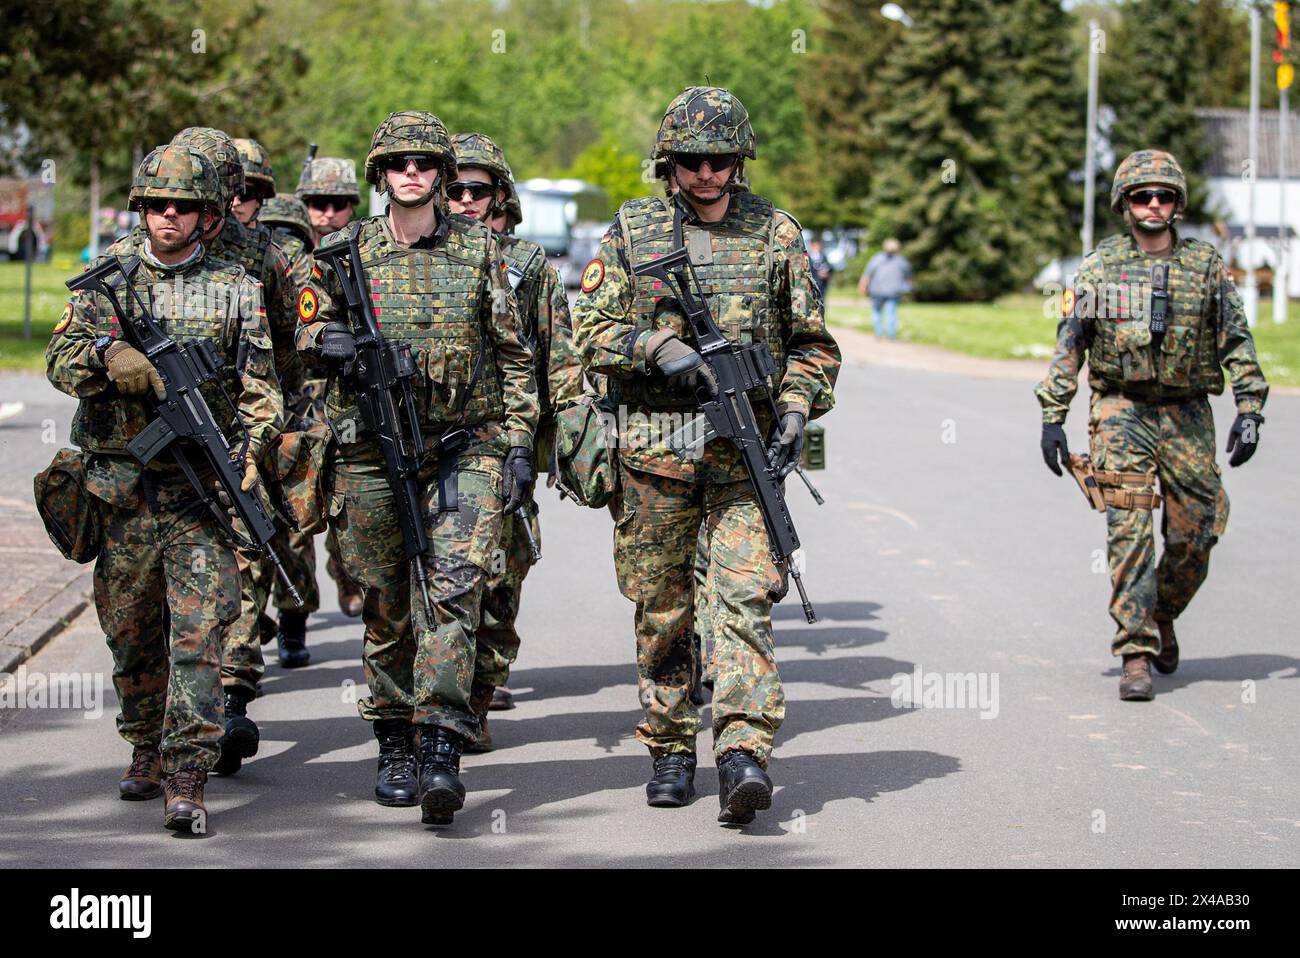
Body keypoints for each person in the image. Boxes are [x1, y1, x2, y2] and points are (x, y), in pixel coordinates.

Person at [571, 86, 840, 825]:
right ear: (670, 160)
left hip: (742, 459)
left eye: (720, 160)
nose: (706, 174)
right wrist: (659, 349)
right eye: (691, 160)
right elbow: (588, 326)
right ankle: (667, 746)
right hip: (657, 455)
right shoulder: (634, 231)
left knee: (745, 599)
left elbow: (813, 345)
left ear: (739, 161)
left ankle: (744, 752)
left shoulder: (775, 234)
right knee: (663, 611)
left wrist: (794, 409)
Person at [296, 111, 538, 826]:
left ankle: (441, 743)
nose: (411, 173)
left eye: (424, 163)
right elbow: (304, 327)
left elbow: (515, 356)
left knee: (455, 592)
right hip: (370, 451)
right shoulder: (343, 253)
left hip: (465, 446)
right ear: (381, 173)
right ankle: (394, 738)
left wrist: (520, 442)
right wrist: (335, 342)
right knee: (385, 601)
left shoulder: (480, 252)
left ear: (438, 173)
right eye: (397, 162)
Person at [46, 144, 282, 832]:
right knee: (131, 631)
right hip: (121, 488)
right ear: (141, 208)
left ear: (208, 213)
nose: (168, 217)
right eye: (156, 205)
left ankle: (188, 769)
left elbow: (261, 388)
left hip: (201, 490)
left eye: (183, 206)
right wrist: (104, 354)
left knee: (200, 632)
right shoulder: (106, 279)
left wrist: (254, 450)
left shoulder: (236, 287)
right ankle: (144, 743)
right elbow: (60, 357)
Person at [1036, 149, 1269, 702]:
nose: (1154, 204)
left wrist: (1251, 408)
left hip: (1187, 412)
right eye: (1143, 195)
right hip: (1121, 411)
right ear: (1125, 203)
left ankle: (1162, 612)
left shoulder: (1207, 266)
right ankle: (1135, 651)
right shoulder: (1099, 268)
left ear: (1178, 203)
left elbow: (1235, 340)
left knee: (1198, 530)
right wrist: (1053, 417)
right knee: (1130, 528)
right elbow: (1070, 344)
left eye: (1164, 195)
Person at [446, 132, 585, 749]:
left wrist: (566, 444)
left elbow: (561, 362)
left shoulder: (529, 269)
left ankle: (478, 692)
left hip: (509, 446)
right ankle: (437, 709)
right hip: (437, 449)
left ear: (499, 195)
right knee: (445, 579)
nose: (465, 201)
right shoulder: (419, 260)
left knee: (501, 579)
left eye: (478, 190)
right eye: (455, 189)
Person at [295, 155, 368, 619]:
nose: (327, 213)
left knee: (349, 505)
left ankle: (347, 573)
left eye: (338, 203)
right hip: (295, 401)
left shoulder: (363, 253)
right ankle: (295, 612)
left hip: (348, 400)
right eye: (318, 203)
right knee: (295, 513)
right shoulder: (284, 257)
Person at [857, 238, 911, 339]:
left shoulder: (877, 258)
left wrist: (863, 285)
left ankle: (879, 333)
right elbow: (908, 276)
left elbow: (867, 273)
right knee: (891, 312)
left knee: (877, 312)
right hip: (892, 291)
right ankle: (890, 334)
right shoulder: (901, 260)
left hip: (878, 290)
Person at [808, 237, 832, 305]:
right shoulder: (807, 257)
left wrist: (827, 274)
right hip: (811, 285)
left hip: (822, 286)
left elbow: (829, 268)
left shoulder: (823, 257)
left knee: (821, 303)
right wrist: (817, 274)